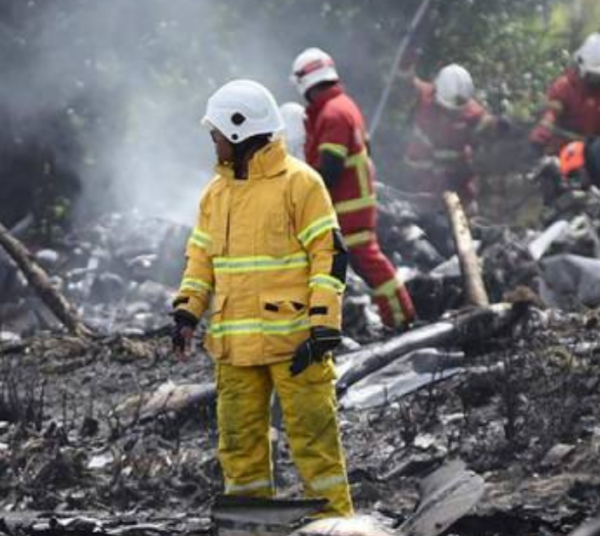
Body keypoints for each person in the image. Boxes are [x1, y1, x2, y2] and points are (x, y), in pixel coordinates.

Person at [171, 79, 353, 518]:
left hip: (297, 344)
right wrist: (187, 312)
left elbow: (328, 255)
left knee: (315, 441)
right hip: (234, 350)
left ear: (240, 129)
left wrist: (324, 325)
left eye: (217, 132)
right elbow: (200, 260)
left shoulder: (300, 183)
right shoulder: (215, 194)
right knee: (238, 448)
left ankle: (334, 526)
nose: (213, 140)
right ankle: (249, 527)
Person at [292, 47, 416, 329]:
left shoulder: (332, 113)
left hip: (349, 207)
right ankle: (395, 318)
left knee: (368, 262)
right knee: (363, 263)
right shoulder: (342, 106)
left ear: (304, 82)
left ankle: (401, 318)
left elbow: (331, 167)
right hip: (353, 203)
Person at [399, 63, 506, 213]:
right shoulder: (424, 95)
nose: (452, 112)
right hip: (419, 178)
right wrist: (406, 62)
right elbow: (406, 82)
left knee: (466, 217)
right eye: (448, 108)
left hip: (455, 180)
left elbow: (487, 125)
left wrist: (499, 126)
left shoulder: (470, 110)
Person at [530, 33, 600, 156]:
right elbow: (550, 117)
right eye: (594, 75)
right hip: (564, 154)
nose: (598, 79)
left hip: (599, 157)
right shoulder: (565, 87)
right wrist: (538, 141)